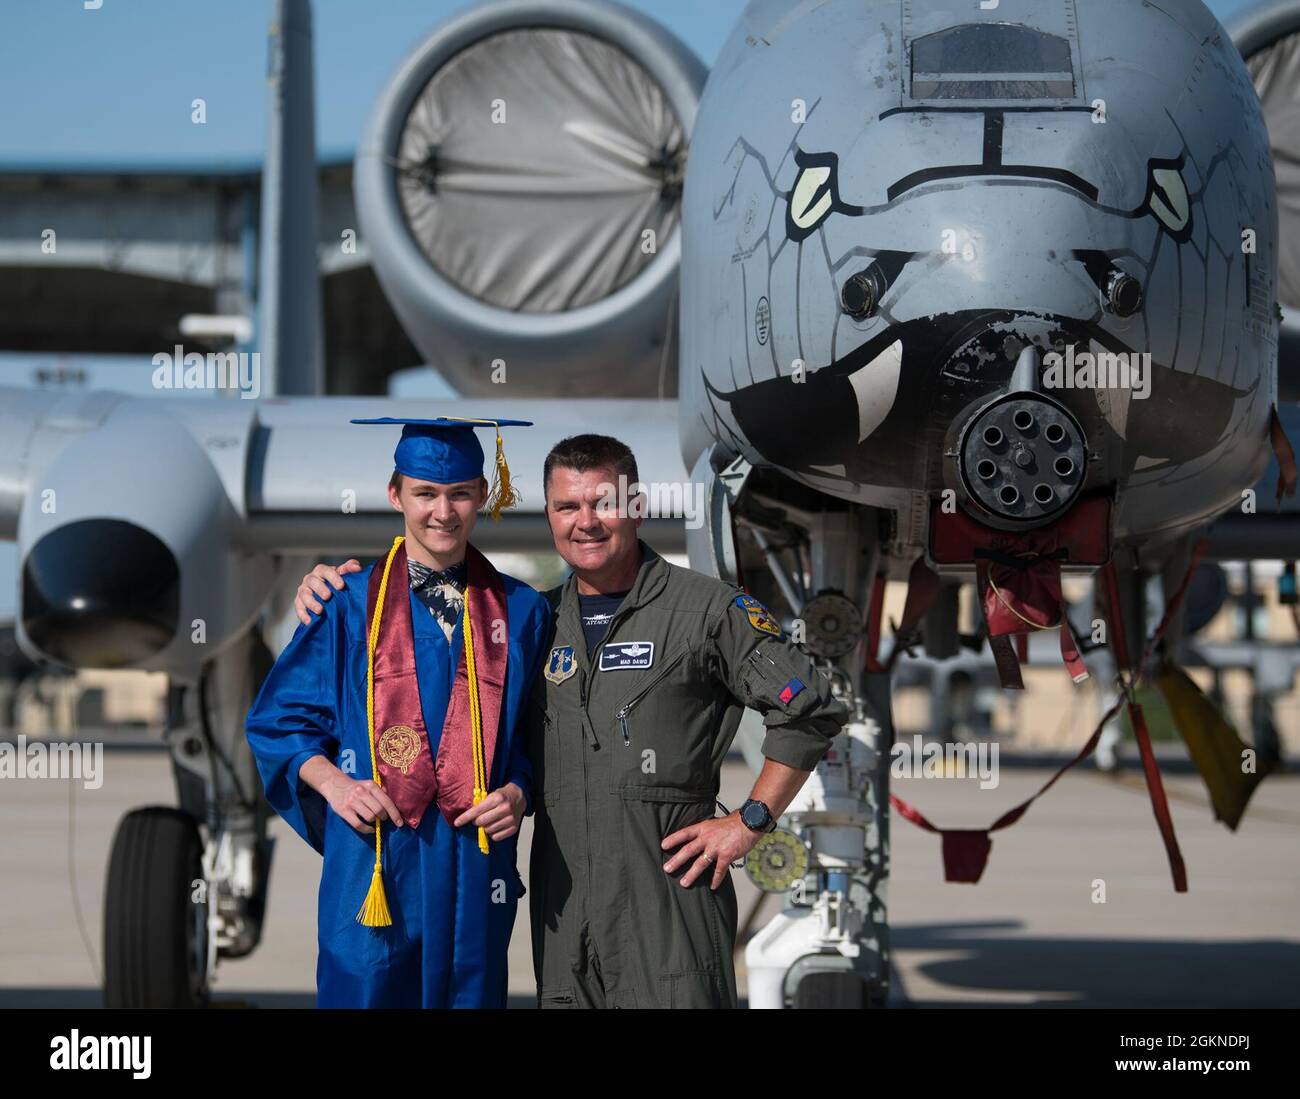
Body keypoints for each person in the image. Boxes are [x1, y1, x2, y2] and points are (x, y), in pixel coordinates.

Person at [293, 434, 847, 1008]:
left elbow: (809, 711)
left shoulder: (705, 611)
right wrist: (333, 593)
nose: (586, 522)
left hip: (668, 904)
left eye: (603, 502)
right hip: (564, 915)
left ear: (636, 506)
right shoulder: (535, 620)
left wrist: (748, 821)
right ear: (550, 515)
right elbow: (502, 747)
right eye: (566, 507)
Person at [247, 416, 551, 1008]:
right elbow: (279, 724)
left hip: (474, 861)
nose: (443, 511)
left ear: (482, 496)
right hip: (377, 862)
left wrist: (519, 791)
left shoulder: (522, 611)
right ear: (396, 495)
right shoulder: (345, 603)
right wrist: (334, 784)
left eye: (460, 493)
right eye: (425, 494)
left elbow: (539, 740)